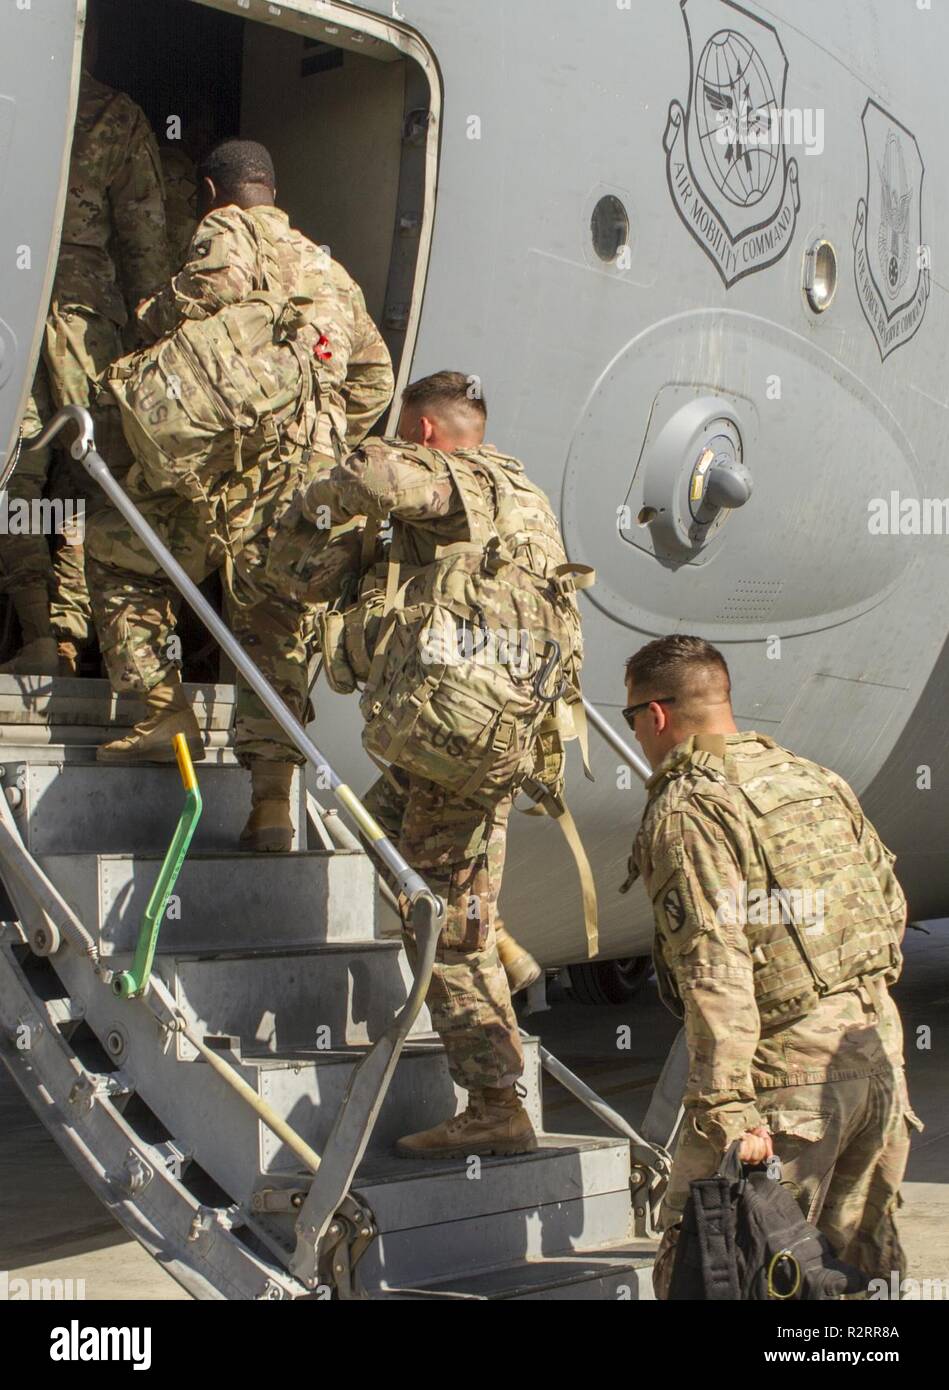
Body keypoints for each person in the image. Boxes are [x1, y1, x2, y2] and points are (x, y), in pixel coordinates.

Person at [279, 370, 588, 1155]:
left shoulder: (451, 476)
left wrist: (305, 513)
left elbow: (367, 476)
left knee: (439, 918)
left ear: (422, 432)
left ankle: (494, 1103)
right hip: (485, 731)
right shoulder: (521, 496)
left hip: (455, 737)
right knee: (370, 834)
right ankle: (498, 937)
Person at [85, 138, 393, 852]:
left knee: (114, 549)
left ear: (208, 189)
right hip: (304, 489)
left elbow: (207, 292)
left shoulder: (227, 229)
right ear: (273, 187)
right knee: (274, 634)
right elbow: (374, 377)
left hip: (225, 475)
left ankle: (161, 706)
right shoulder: (329, 269)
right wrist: (317, 430)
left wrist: (151, 311)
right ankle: (271, 812)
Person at [621, 634, 922, 1298]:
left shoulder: (689, 807)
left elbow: (713, 966)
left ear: (656, 715)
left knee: (729, 1265)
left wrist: (728, 1107)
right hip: (875, 1054)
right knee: (853, 1274)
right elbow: (888, 902)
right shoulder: (810, 776)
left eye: (629, 718)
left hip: (786, 1081)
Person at [0, 5, 170, 675]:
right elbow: (146, 247)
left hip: (15, 317)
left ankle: (38, 630)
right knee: (89, 476)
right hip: (86, 326)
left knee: (16, 475)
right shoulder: (115, 116)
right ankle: (72, 635)